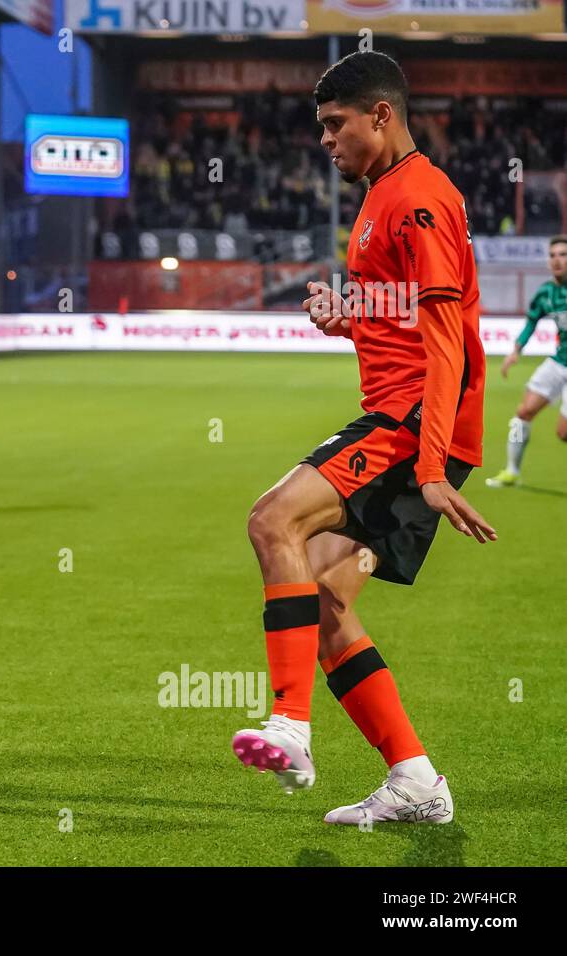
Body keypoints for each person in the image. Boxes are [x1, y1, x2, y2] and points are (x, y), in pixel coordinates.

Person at [233, 52, 494, 826]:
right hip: (402, 412)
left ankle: (290, 726)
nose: (326, 141)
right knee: (318, 599)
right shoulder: (385, 193)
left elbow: (449, 341)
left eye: (335, 124)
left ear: (382, 115)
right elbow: (410, 309)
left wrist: (434, 463)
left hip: (414, 422)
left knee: (272, 519)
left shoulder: (418, 198)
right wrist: (353, 314)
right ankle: (416, 781)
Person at [485, 235, 567, 487]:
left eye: (563, 255)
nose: (557, 260)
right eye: (553, 255)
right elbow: (532, 321)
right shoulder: (546, 292)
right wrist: (515, 350)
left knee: (563, 433)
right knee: (523, 412)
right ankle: (511, 471)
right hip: (557, 362)